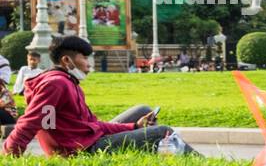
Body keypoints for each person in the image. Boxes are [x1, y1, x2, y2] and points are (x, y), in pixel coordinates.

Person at [2, 36, 198, 157]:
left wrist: (134, 126)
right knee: (162, 131)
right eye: (84, 58)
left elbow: (93, 125)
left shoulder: (67, 82)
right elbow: (31, 121)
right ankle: (199, 163)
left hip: (83, 139)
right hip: (81, 151)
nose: (88, 64)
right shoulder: (56, 84)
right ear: (66, 60)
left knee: (143, 111)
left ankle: (151, 151)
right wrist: (9, 154)